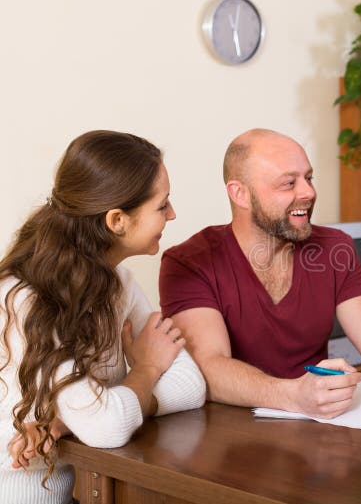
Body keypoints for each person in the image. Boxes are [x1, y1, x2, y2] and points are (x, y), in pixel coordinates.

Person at [158, 128, 361, 419]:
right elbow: (209, 364)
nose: (308, 192)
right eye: (289, 183)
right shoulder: (187, 262)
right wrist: (293, 396)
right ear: (240, 194)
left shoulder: (336, 247)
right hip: (229, 436)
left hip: (318, 425)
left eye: (308, 178)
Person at [0, 131, 206, 504]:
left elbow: (192, 387)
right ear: (117, 221)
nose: (173, 214)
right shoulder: (33, 299)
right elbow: (107, 426)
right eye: (163, 205)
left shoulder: (119, 283)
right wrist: (144, 371)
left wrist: (80, 417)